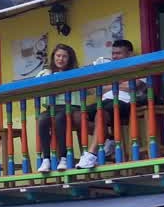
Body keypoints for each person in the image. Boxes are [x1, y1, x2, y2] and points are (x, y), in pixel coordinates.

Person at [77, 39, 147, 169]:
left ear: (130, 54)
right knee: (78, 116)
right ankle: (108, 139)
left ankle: (91, 154)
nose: (115, 56)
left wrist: (108, 85)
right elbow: (93, 89)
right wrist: (120, 83)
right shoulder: (108, 67)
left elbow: (134, 86)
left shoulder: (138, 65)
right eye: (113, 53)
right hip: (105, 102)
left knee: (101, 113)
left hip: (126, 102)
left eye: (119, 53)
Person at [36, 44, 83, 172]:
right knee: (42, 120)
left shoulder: (75, 73)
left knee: (59, 119)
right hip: (51, 107)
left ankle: (63, 157)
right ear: (53, 57)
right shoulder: (45, 73)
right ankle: (46, 159)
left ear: (70, 59)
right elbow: (37, 86)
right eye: (58, 55)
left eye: (64, 56)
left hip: (70, 107)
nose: (60, 59)